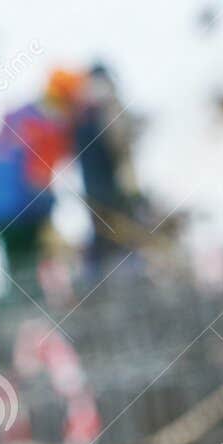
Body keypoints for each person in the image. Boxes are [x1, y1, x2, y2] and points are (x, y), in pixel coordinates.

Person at [0, 69, 86, 300]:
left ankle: (32, 312)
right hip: (21, 212)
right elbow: (31, 176)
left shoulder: (23, 118)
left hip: (7, 209)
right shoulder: (41, 126)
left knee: (23, 273)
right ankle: (33, 317)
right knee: (28, 274)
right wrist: (46, 199)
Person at [73, 62, 145, 282]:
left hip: (103, 191)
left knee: (114, 241)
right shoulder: (98, 112)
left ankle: (105, 284)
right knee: (119, 241)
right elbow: (120, 145)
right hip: (110, 191)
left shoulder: (84, 114)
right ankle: (117, 285)